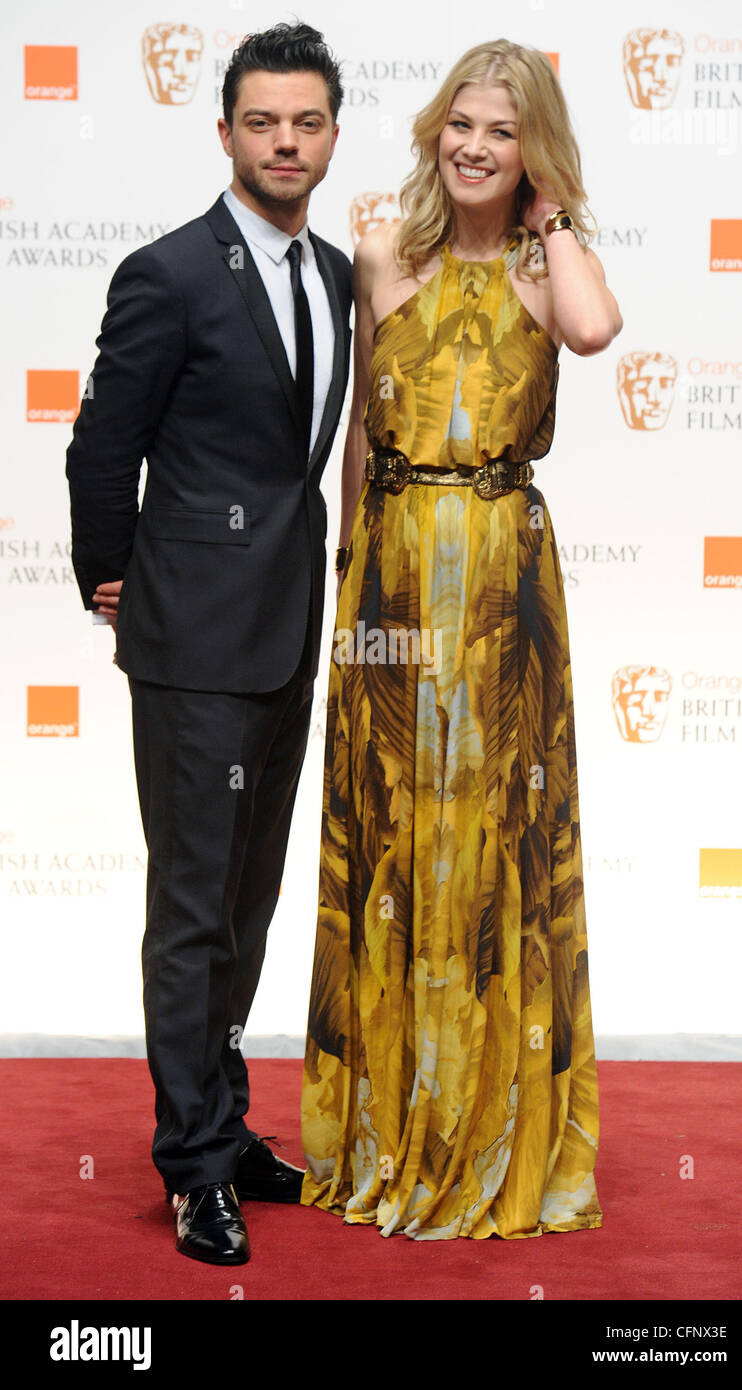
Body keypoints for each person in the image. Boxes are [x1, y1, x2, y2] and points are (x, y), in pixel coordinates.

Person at [300, 39, 622, 1240]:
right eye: (463, 126)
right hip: (389, 574)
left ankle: (492, 1128)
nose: (476, 148)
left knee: (495, 843)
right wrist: (345, 574)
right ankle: (388, 1124)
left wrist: (557, 208)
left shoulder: (549, 265)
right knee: (392, 836)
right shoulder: (385, 250)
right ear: (437, 130)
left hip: (501, 584)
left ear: (532, 149)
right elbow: (357, 437)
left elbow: (592, 331)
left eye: (503, 131)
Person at [65, 23, 352, 1265]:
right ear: (225, 132)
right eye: (261, 122)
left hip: (286, 638)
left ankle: (225, 1126)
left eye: (306, 122)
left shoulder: (339, 274)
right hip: (190, 648)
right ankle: (192, 1167)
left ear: (332, 133)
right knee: (192, 912)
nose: (284, 142)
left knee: (246, 906)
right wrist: (112, 576)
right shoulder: (168, 272)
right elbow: (101, 445)